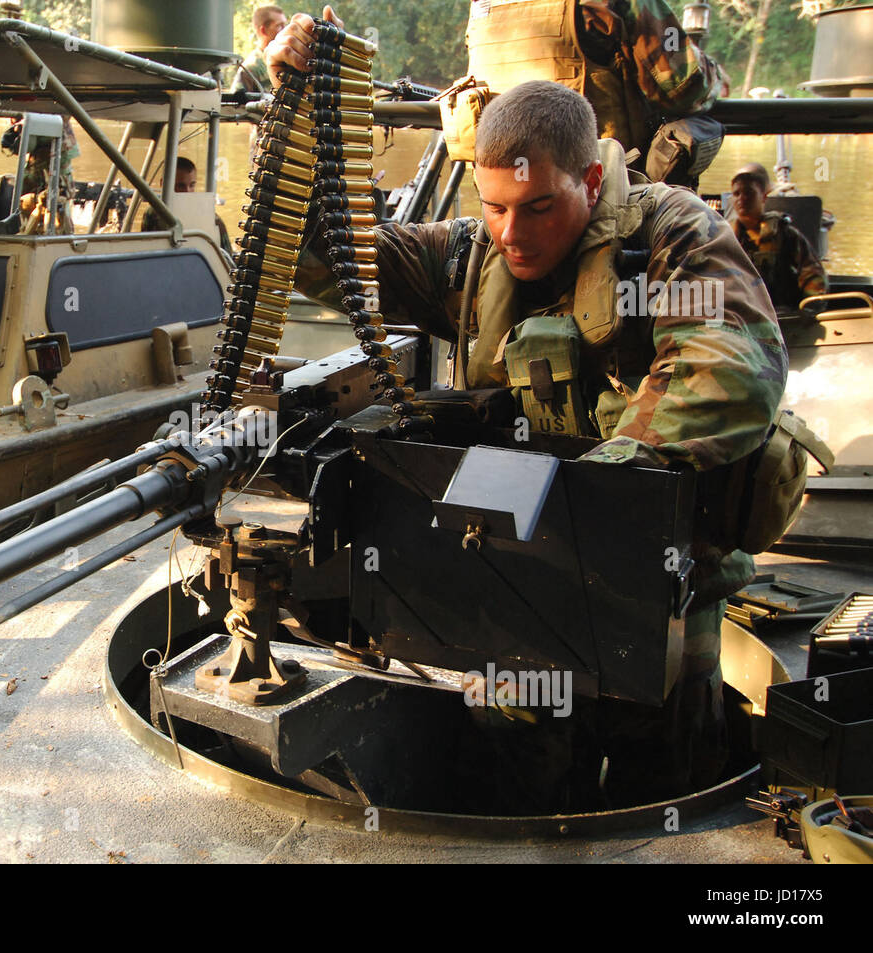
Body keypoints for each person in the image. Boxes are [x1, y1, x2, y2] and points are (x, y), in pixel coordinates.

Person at [271, 13, 785, 804]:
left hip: (654, 579)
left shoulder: (673, 234)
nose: (512, 233)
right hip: (520, 583)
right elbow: (325, 257)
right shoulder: (477, 252)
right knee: (520, 786)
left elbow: (732, 370)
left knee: (663, 795)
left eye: (539, 207)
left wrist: (594, 495)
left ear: (587, 181)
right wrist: (297, 110)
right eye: (495, 206)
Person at [453, 0, 730, 186]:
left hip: (505, 199)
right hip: (600, 194)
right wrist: (716, 77)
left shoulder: (482, 5)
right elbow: (684, 87)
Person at [728, 162, 827, 312]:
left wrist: (810, 307)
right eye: (736, 194)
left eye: (749, 192)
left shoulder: (786, 235)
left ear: (764, 196)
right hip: (739, 317)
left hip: (782, 314)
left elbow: (812, 272)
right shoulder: (723, 238)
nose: (742, 198)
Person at [139, 158, 232, 255]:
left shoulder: (212, 220)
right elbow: (145, 252)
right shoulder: (152, 215)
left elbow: (227, 260)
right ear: (163, 184)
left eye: (192, 185)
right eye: (181, 186)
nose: (187, 191)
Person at [231, 5, 287, 95]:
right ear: (263, 31)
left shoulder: (289, 61)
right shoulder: (250, 69)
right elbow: (235, 105)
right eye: (279, 26)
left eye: (285, 25)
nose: (285, 30)